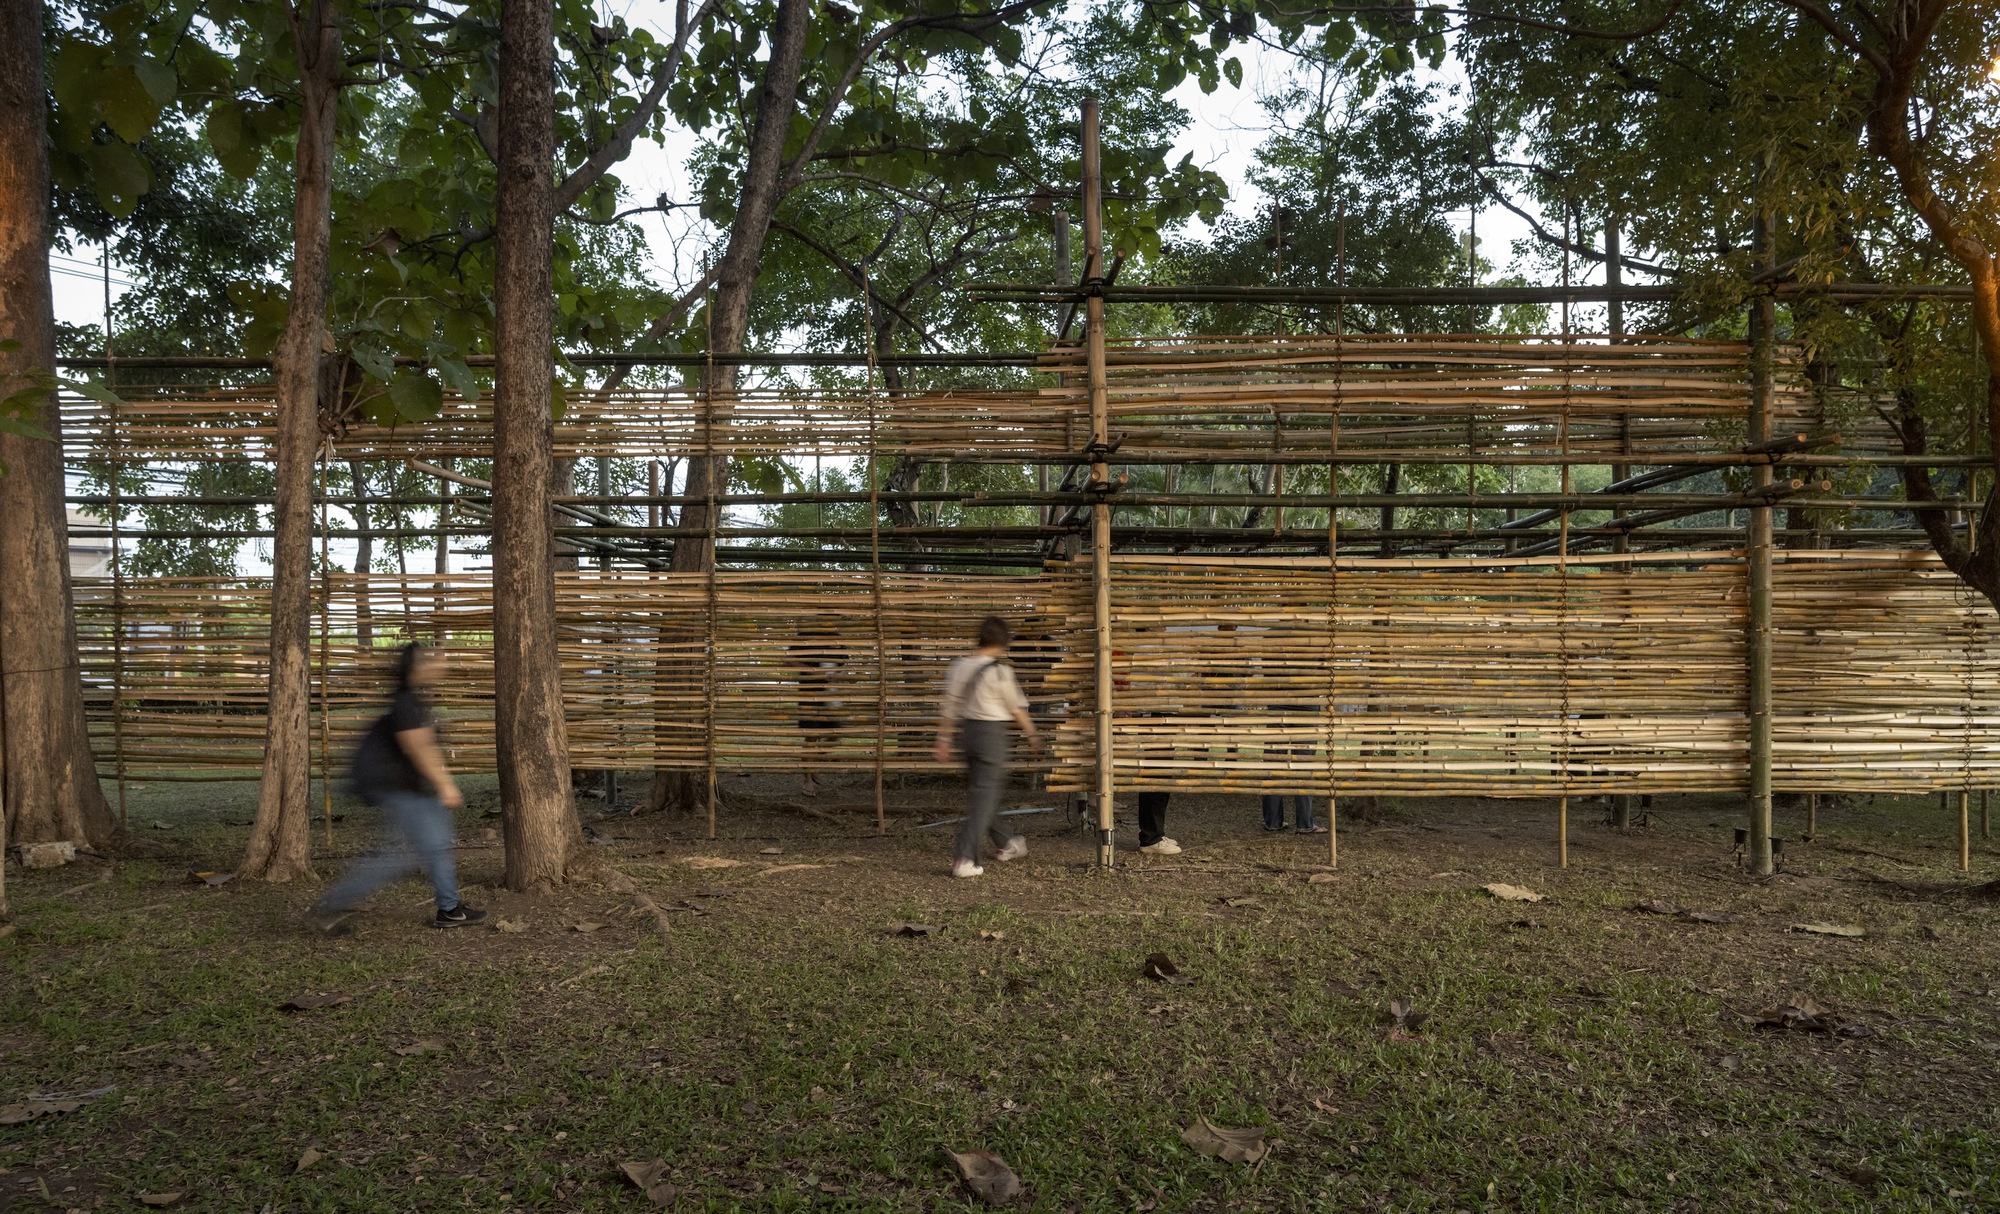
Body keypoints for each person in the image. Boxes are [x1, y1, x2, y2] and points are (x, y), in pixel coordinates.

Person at [311, 642, 486, 931]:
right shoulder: (406, 701)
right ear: (414, 669)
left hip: (410, 788)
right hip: (397, 789)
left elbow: (427, 742)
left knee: (436, 846)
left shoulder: (416, 698)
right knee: (395, 858)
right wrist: (445, 785)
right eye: (427, 660)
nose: (435, 664)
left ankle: (450, 909)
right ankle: (329, 906)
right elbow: (417, 747)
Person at [933, 616, 1043, 878]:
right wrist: (1032, 734)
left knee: (983, 794)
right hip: (991, 736)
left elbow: (950, 707)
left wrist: (944, 740)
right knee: (984, 797)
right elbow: (1016, 709)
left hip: (967, 733)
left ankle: (1006, 843)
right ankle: (964, 857)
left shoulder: (960, 666)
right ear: (1003, 642)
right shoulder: (1000, 671)